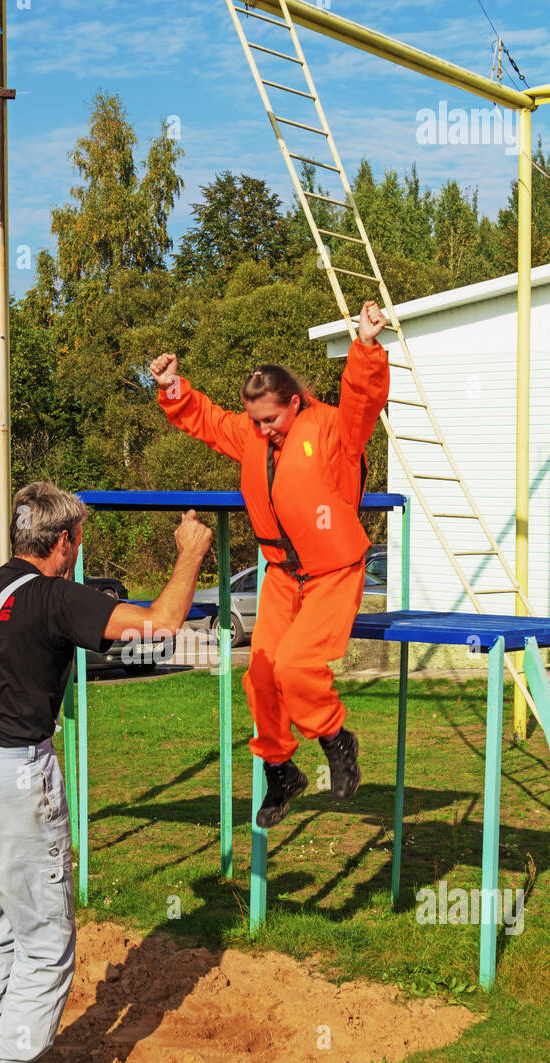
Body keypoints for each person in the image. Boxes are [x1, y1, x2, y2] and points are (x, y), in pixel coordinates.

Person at [0, 481, 212, 1063]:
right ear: (65, 541)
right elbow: (161, 627)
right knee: (46, 936)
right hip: (9, 780)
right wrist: (190, 554)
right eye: (77, 539)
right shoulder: (54, 598)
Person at [150, 300, 389, 828]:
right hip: (281, 575)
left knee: (296, 665)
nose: (264, 430)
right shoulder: (253, 434)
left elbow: (363, 401)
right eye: (256, 420)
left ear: (296, 404)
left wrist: (367, 347)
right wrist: (172, 387)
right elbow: (207, 420)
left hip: (333, 572)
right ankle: (281, 771)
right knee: (259, 672)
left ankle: (335, 739)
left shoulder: (333, 430)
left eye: (272, 419)